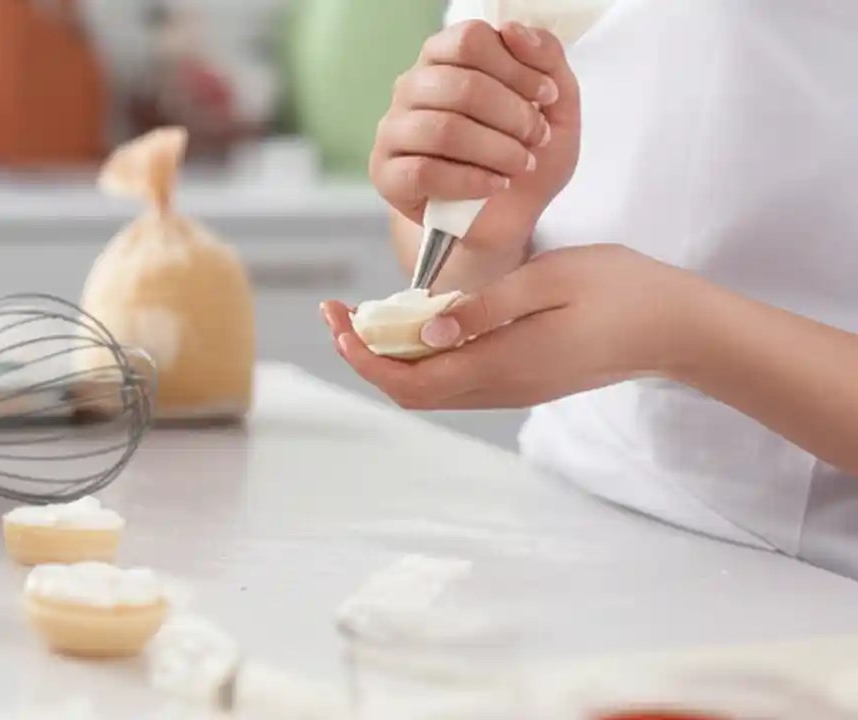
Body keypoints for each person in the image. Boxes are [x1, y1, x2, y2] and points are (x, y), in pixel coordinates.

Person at [320, 0, 858, 579]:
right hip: (565, 530)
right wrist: (478, 236)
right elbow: (445, 225)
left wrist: (679, 334)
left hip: (818, 590)